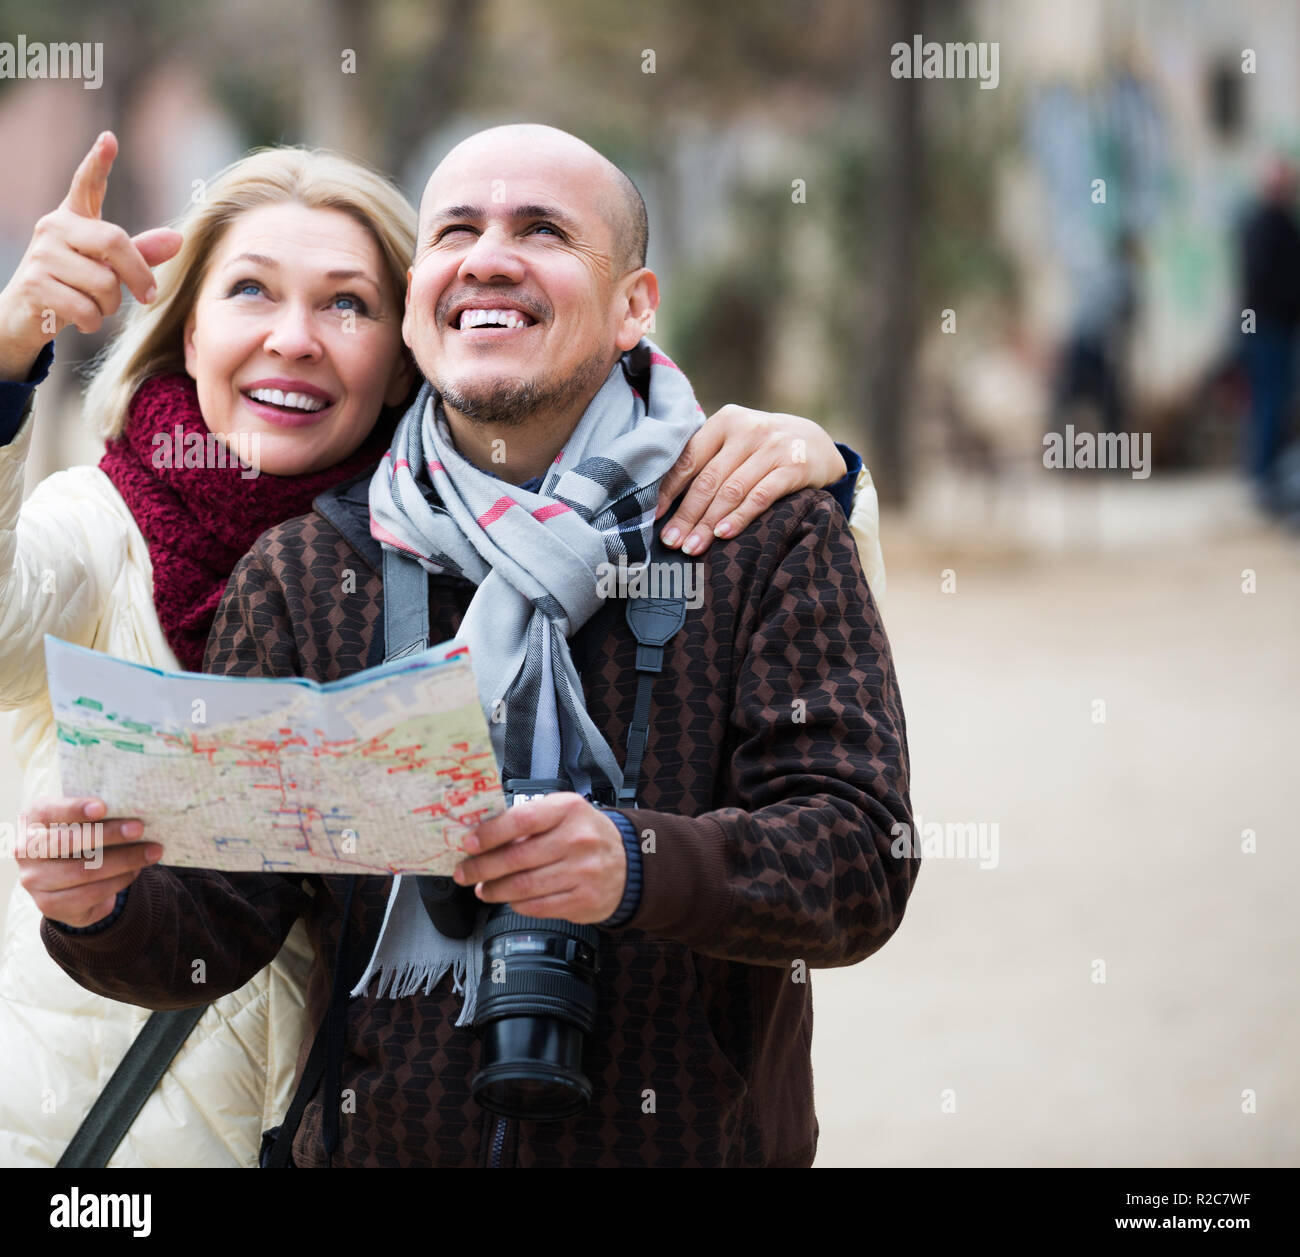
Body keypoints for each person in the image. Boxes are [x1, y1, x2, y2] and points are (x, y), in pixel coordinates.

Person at [1, 132, 877, 1167]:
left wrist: (636, 864)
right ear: (185, 335)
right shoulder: (266, 565)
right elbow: (222, 911)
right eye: (457, 230)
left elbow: (855, 849)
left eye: (344, 303)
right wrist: (98, 909)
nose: (293, 338)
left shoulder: (741, 527)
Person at [1238, 156, 1300, 513]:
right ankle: (1264, 483)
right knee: (1269, 406)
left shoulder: (1269, 224)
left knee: (1269, 405)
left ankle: (1266, 480)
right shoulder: (1267, 225)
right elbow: (1261, 284)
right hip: (1269, 331)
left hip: (1269, 330)